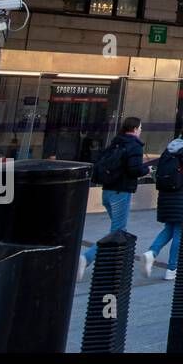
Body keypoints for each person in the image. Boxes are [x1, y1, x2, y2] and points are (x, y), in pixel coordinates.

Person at [80, 117, 148, 281]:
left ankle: (113, 262)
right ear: (134, 129)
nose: (140, 131)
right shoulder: (134, 146)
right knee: (118, 231)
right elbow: (134, 170)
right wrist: (146, 169)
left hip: (108, 191)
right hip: (121, 192)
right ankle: (87, 258)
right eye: (140, 128)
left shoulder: (116, 142)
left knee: (117, 230)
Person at [142, 121, 183, 281]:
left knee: (169, 228)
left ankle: (151, 253)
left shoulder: (170, 148)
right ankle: (172, 268)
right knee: (180, 231)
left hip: (167, 195)